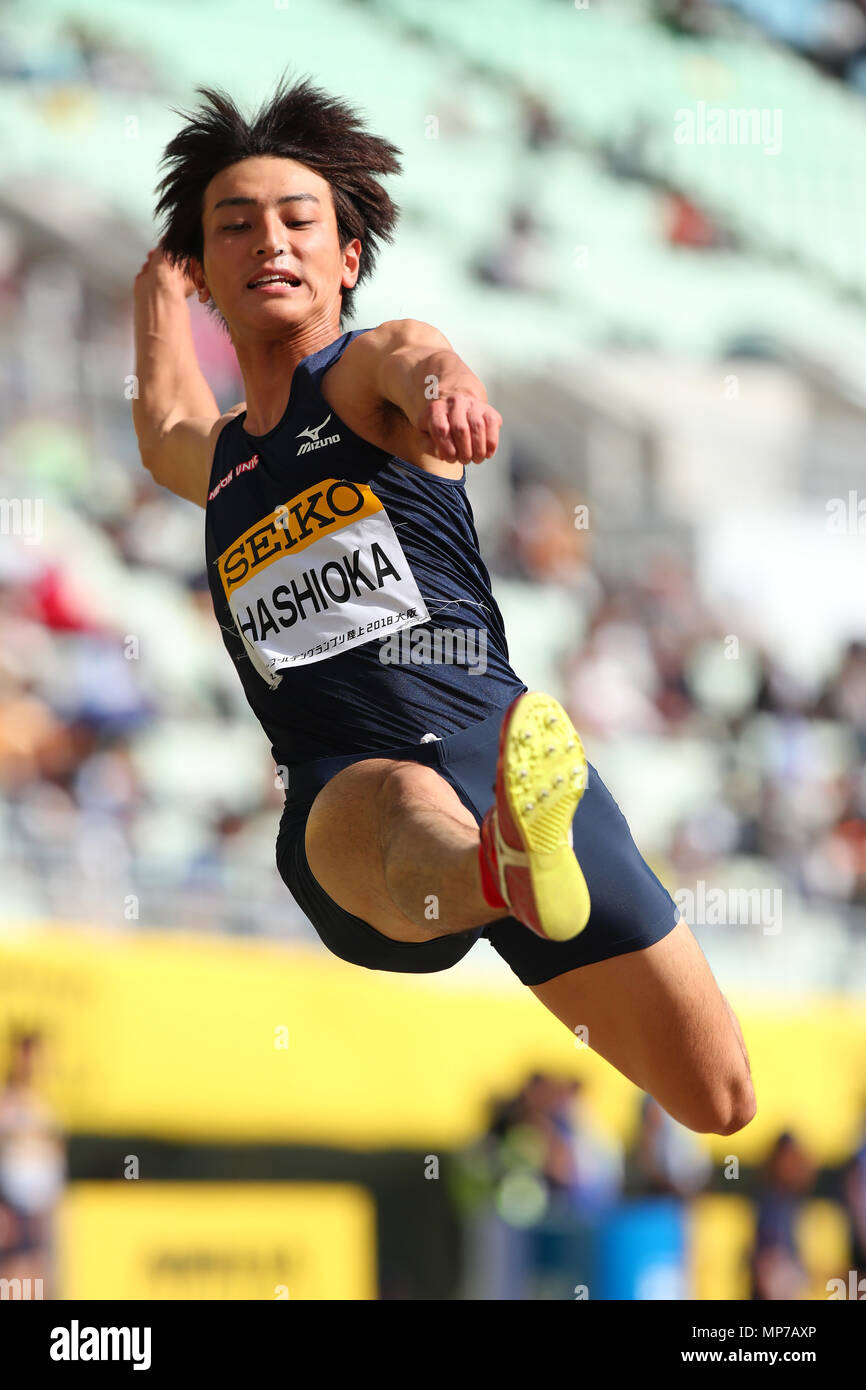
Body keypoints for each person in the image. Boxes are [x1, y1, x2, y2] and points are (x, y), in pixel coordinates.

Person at [131, 77, 755, 1136]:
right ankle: (495, 864)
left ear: (346, 259)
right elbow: (160, 422)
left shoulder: (367, 372)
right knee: (394, 805)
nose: (268, 242)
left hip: (499, 745)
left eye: (296, 222)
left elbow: (420, 359)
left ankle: (513, 856)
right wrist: (158, 276)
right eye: (233, 227)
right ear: (207, 272)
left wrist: (448, 395)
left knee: (719, 1100)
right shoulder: (224, 462)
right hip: (351, 788)